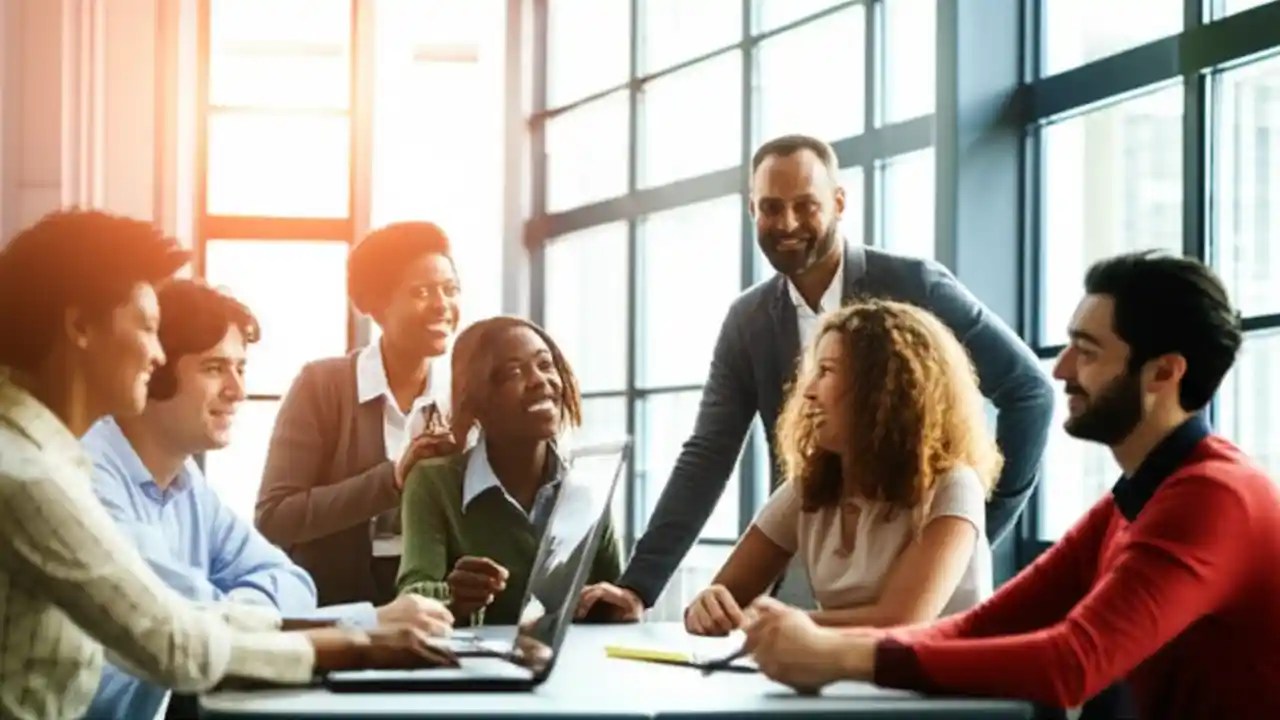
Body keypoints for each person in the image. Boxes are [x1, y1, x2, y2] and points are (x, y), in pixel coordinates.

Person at [741, 252, 1280, 720]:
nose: (1061, 369)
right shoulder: (1136, 499)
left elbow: (1072, 663)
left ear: (1164, 373)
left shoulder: (1213, 498)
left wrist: (841, 657)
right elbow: (983, 626)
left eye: (1087, 352)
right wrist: (819, 646)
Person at [579, 134, 1055, 620]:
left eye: (806, 205)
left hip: (913, 575)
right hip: (811, 560)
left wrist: (969, 528)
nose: (787, 224)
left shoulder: (916, 287)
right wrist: (638, 587)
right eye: (770, 207)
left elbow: (1030, 392)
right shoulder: (750, 321)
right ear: (752, 210)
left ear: (839, 202)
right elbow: (709, 452)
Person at [0, 210, 451, 720]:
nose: (155, 355)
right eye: (148, 329)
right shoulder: (26, 476)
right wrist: (356, 642)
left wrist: (224, 614)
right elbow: (173, 639)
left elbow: (270, 584)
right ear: (80, 325)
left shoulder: (61, 463)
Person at [683, 300, 1001, 636]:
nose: (807, 392)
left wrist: (768, 619)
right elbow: (721, 600)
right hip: (848, 681)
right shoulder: (805, 490)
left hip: (945, 686)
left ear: (883, 390)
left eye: (826, 371)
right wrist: (706, 606)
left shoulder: (954, 486)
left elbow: (902, 620)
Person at [256, 221, 460, 606]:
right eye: (421, 292)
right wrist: (393, 479)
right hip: (336, 611)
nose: (442, 305)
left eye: (450, 290)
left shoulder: (460, 397)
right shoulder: (322, 385)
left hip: (436, 609)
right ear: (376, 305)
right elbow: (274, 518)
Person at [396, 316, 624, 625]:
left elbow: (615, 600)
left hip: (565, 667)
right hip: (472, 669)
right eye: (512, 373)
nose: (540, 381)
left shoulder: (584, 489)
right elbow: (413, 597)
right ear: (474, 401)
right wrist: (454, 598)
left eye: (545, 365)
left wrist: (621, 602)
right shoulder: (433, 483)